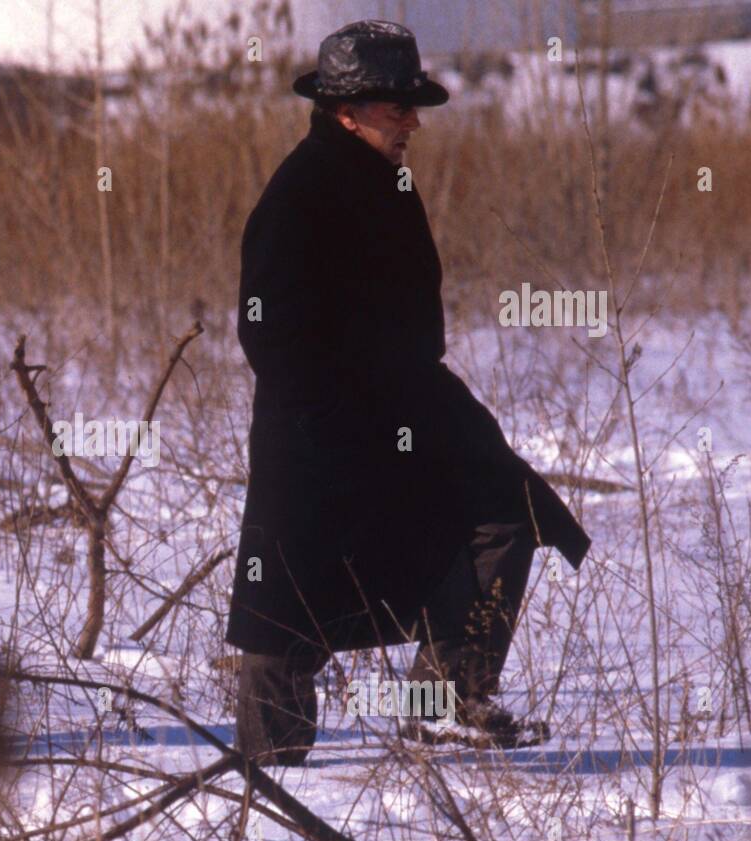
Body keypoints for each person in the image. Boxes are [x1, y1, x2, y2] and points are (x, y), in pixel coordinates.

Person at [225, 22, 591, 763]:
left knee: (508, 510)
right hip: (319, 433)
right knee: (288, 613)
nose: (415, 124)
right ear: (348, 110)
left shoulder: (387, 178)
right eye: (400, 110)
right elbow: (267, 331)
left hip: (412, 410)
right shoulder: (297, 194)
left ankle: (447, 702)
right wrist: (343, 424)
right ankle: (268, 782)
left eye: (414, 108)